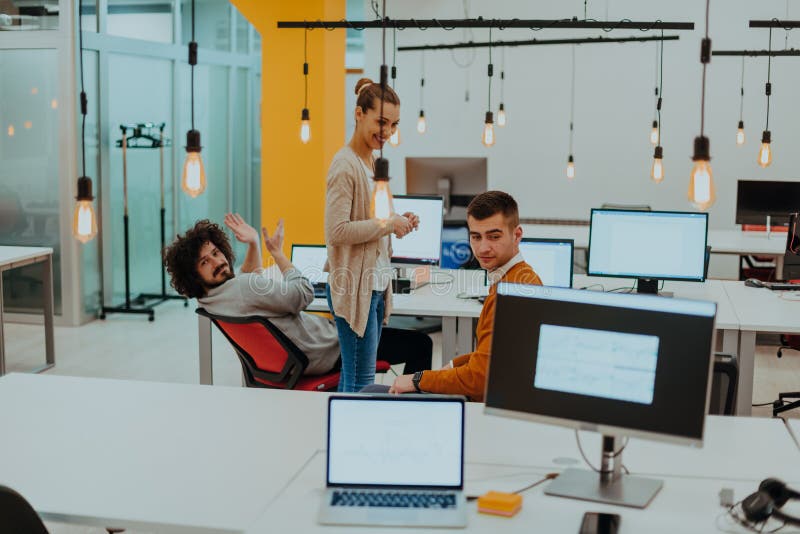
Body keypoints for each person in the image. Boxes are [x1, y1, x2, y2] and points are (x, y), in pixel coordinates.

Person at [163, 214, 432, 377]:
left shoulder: (211, 299)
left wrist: (256, 244)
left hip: (291, 363)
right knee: (420, 343)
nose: (217, 261)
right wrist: (279, 255)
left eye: (215, 253)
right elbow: (302, 293)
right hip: (326, 351)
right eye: (204, 262)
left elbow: (249, 283)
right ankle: (412, 415)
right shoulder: (242, 289)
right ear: (194, 275)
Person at [383, 191, 543, 402]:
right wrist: (454, 365)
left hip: (487, 408)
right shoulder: (515, 277)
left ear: (517, 235)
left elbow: (479, 378)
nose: (483, 248)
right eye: (476, 237)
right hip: (498, 397)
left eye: (494, 236)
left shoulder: (512, 291)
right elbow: (492, 356)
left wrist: (418, 379)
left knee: (369, 395)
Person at [324, 77, 419, 392]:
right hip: (354, 288)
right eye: (381, 121)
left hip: (375, 286)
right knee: (359, 381)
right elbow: (337, 232)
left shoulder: (374, 162)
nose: (388, 132)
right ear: (359, 114)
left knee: (356, 378)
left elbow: (374, 221)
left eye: (393, 124)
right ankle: (347, 439)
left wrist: (398, 221)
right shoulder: (345, 166)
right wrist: (388, 224)